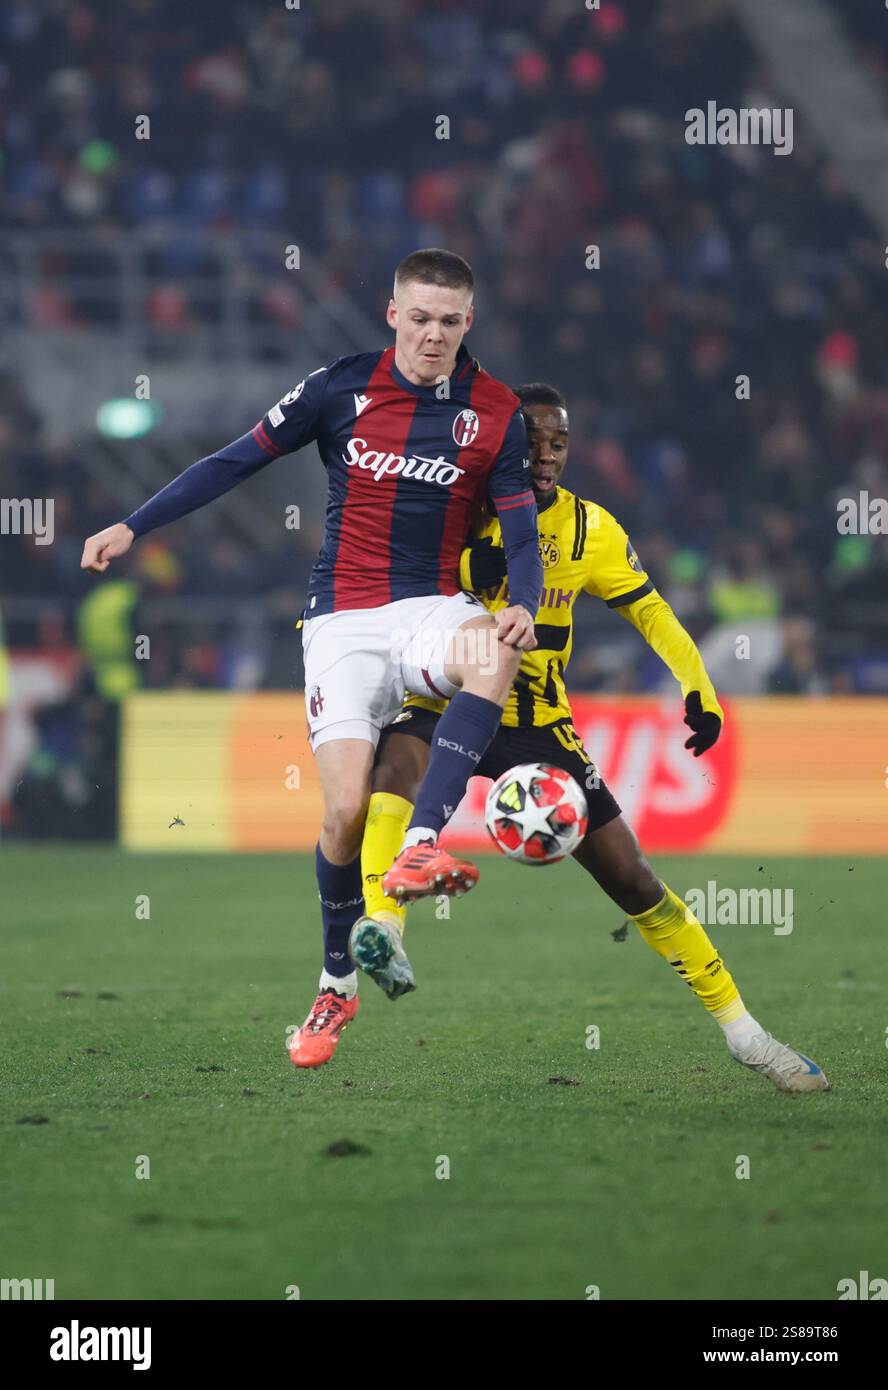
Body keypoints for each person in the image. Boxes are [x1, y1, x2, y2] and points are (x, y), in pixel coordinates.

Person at [80, 248, 543, 1068]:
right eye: (421, 317)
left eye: (450, 321)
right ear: (394, 314)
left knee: (492, 649)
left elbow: (517, 525)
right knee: (342, 813)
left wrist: (523, 605)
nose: (434, 335)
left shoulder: (497, 412)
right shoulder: (339, 388)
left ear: (469, 323)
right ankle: (335, 985)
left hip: (433, 605)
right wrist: (134, 525)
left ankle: (422, 844)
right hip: (343, 620)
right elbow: (236, 459)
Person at [348, 383, 828, 1094]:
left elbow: (651, 611)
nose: (545, 455)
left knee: (634, 881)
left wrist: (698, 685)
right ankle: (384, 927)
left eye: (559, 442)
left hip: (540, 723)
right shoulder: (457, 509)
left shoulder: (591, 531)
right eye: (532, 439)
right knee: (395, 764)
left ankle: (745, 1033)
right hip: (451, 697)